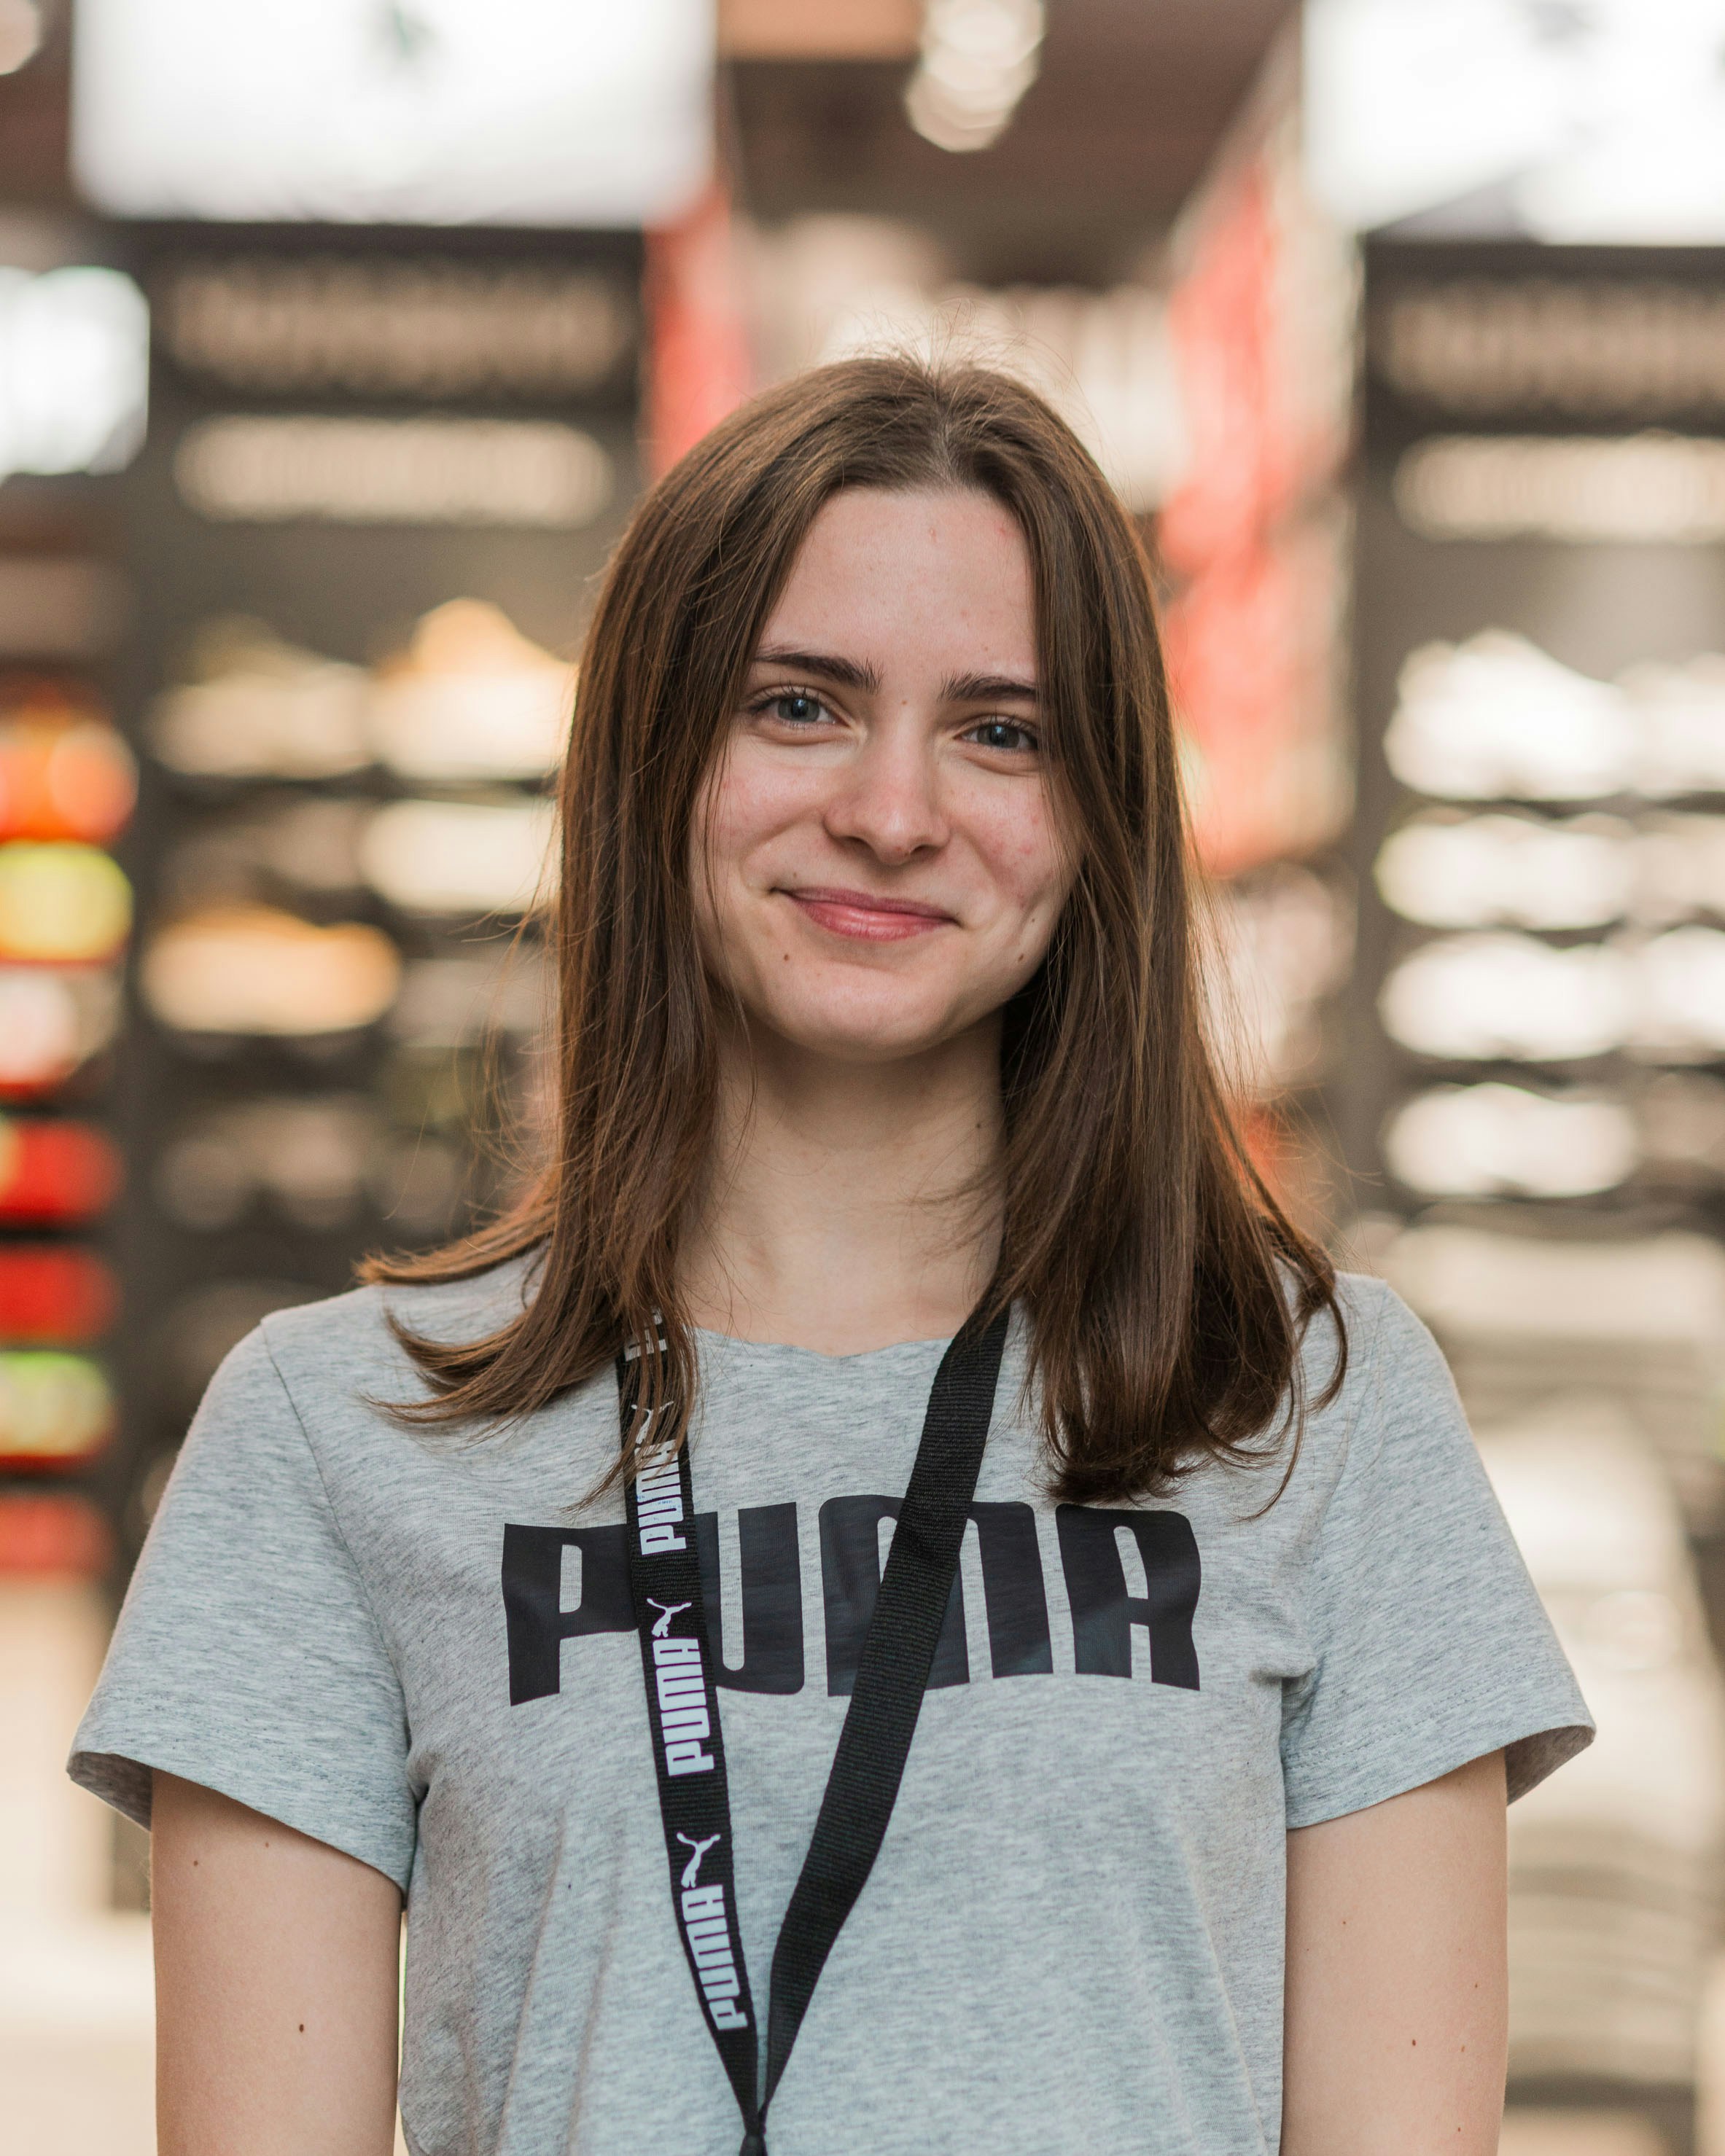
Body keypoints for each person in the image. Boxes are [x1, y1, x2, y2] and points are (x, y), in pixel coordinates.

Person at [71, 358, 1590, 2156]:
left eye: (1001, 730)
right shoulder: (333, 1434)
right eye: (799, 705)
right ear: (654, 755)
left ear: (1101, 814)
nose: (892, 809)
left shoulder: (1313, 1399)